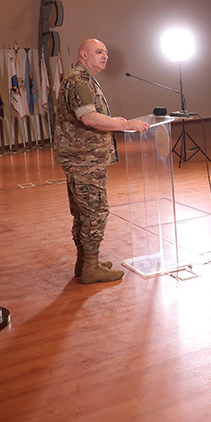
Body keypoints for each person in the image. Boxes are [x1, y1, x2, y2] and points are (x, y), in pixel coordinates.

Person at [55, 39, 149, 284]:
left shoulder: (82, 77)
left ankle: (86, 263)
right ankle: (90, 268)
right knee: (95, 212)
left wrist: (111, 119)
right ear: (83, 54)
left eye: (106, 52)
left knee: (84, 213)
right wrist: (125, 124)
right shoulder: (79, 80)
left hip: (80, 158)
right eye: (99, 52)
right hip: (84, 160)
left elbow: (87, 115)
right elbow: (88, 118)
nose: (105, 56)